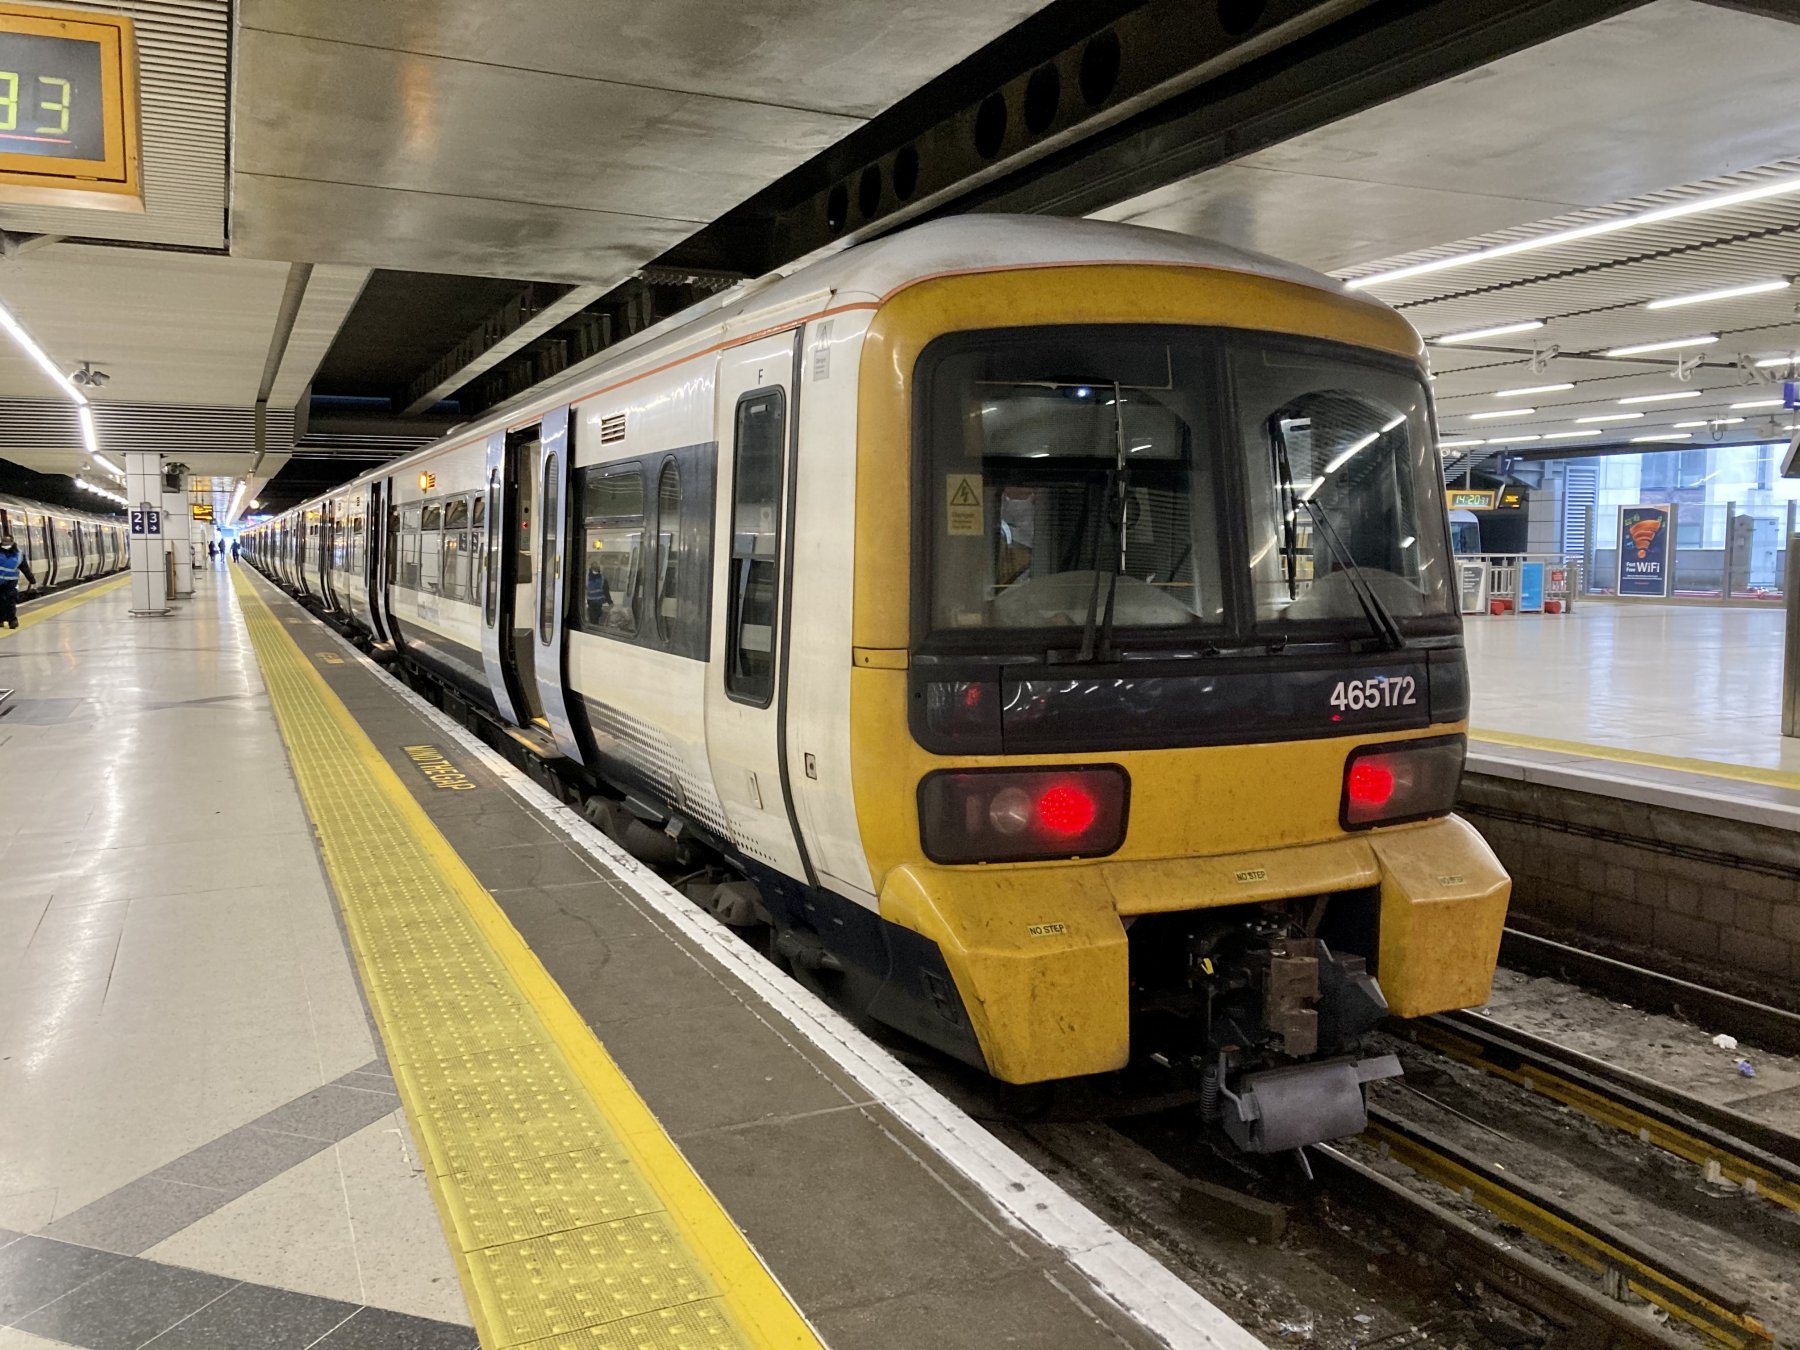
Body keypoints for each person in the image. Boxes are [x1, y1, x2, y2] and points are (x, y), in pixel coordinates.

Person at [0, 532, 35, 629]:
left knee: (5, 601)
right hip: (11, 583)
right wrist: (32, 580)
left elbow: (25, 568)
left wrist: (31, 580)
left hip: (8, 583)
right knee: (9, 602)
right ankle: (11, 620)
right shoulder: (19, 554)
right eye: (4, 542)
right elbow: (25, 568)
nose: (5, 544)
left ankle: (6, 620)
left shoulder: (18, 554)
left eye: (6, 542)